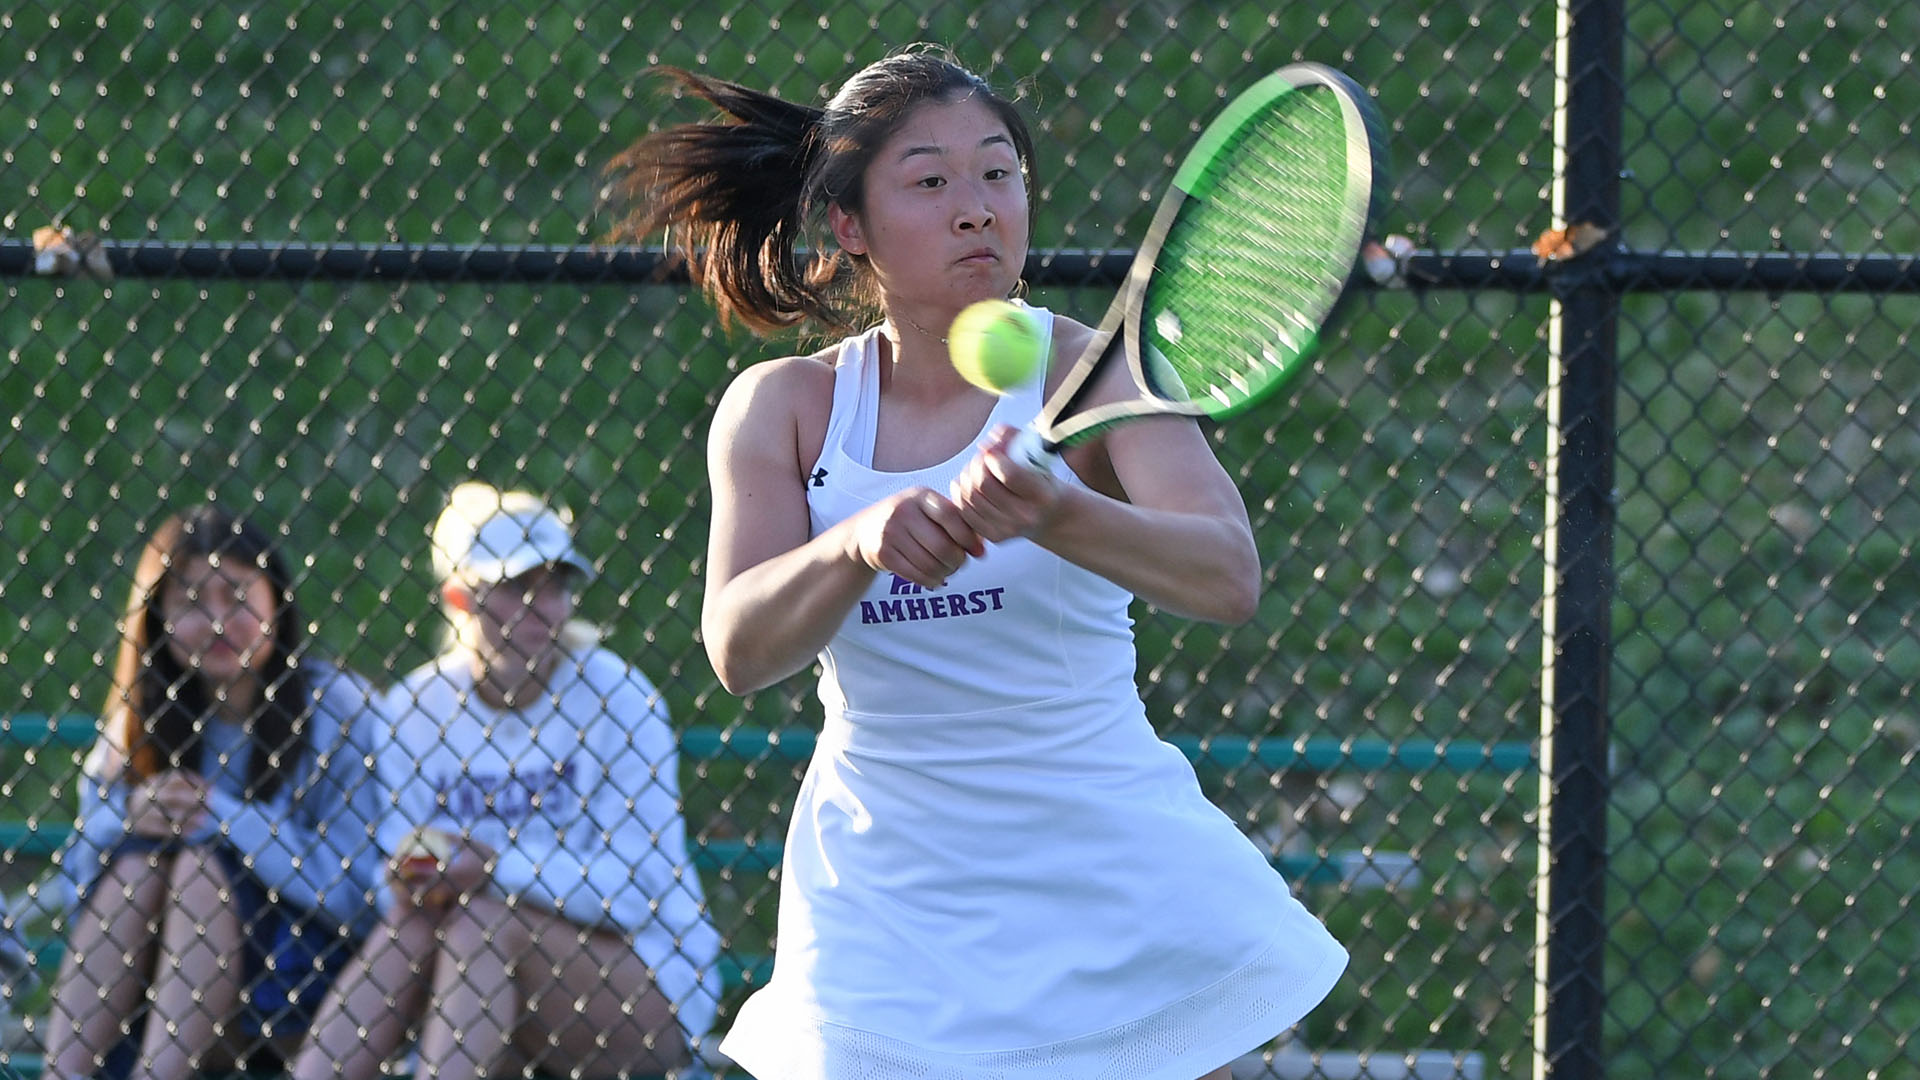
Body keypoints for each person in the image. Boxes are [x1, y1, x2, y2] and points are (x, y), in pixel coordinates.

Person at [604, 45, 1350, 1080]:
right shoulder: (784, 409)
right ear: (850, 227)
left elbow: (1227, 575)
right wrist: (855, 543)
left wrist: (1060, 514)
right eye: (930, 181)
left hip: (1110, 884)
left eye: (999, 173)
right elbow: (739, 648)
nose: (977, 209)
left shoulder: (1100, 372)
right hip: (882, 912)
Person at [290, 482, 722, 1080]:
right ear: (460, 596)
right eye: (518, 586)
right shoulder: (414, 708)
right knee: (413, 923)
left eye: (556, 584)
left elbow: (638, 891)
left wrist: (493, 868)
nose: (543, 607)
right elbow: (392, 866)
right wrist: (413, 878)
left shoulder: (620, 697)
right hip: (474, 985)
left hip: (642, 986)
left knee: (484, 922)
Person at [43, 505, 385, 1080]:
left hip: (302, 984)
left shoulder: (340, 709)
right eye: (192, 602)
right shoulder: (138, 719)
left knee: (200, 870)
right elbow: (79, 885)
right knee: (138, 868)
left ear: (277, 602)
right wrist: (128, 818)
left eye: (237, 596)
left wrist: (221, 818)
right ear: (158, 616)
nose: (218, 622)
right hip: (155, 992)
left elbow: (357, 895)